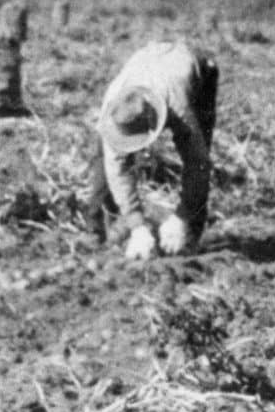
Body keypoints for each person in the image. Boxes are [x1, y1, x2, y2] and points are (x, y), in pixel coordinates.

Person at [89, 41, 217, 260]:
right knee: (104, 158)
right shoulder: (113, 105)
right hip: (147, 61)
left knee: (199, 152)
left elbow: (198, 164)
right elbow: (118, 169)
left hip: (195, 70)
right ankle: (99, 234)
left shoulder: (177, 104)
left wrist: (181, 217)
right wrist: (137, 225)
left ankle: (188, 237)